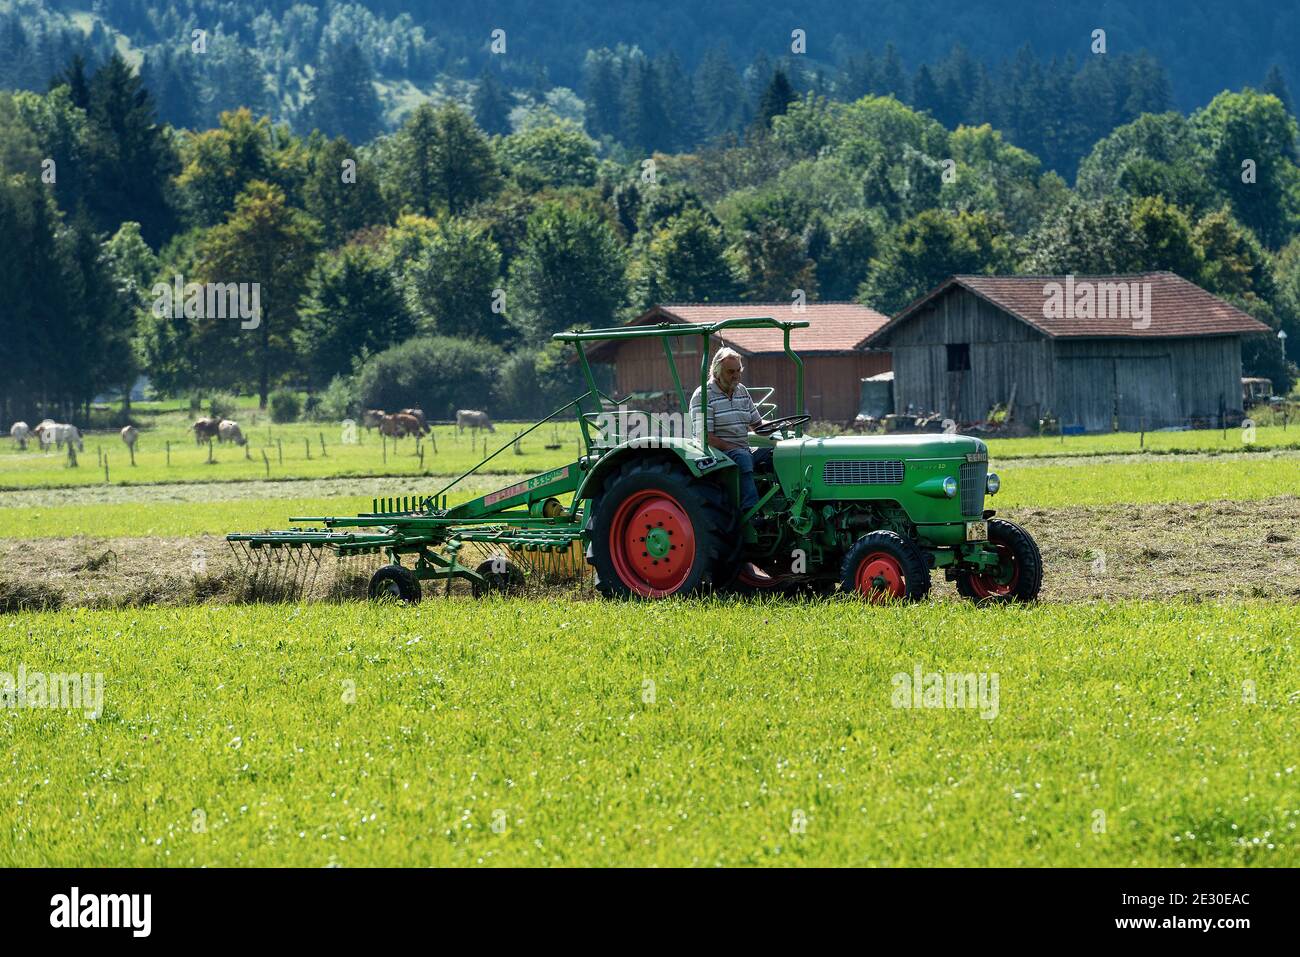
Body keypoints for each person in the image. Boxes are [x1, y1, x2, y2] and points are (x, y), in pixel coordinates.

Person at [688, 347, 772, 512]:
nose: (736, 375)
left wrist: (779, 426)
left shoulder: (742, 391)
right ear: (717, 372)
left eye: (738, 370)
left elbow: (757, 425)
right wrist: (736, 449)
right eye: (730, 372)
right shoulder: (703, 396)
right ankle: (751, 511)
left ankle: (780, 507)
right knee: (742, 457)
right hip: (715, 454)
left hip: (743, 449)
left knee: (776, 455)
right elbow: (706, 437)